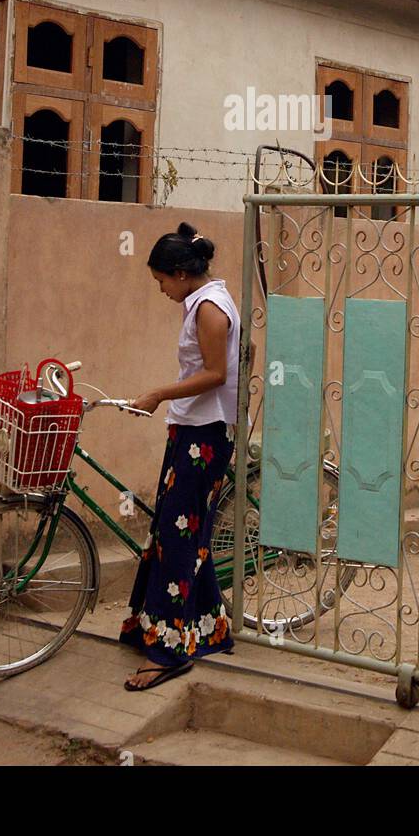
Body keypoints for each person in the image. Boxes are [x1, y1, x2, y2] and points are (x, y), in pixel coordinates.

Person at [119, 223, 240, 690]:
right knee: (177, 531)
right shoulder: (205, 301)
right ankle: (205, 626)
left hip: (205, 434)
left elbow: (214, 372)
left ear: (181, 273)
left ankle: (169, 653)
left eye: (161, 282)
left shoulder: (209, 309)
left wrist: (157, 393)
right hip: (192, 428)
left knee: (178, 534)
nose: (162, 291)